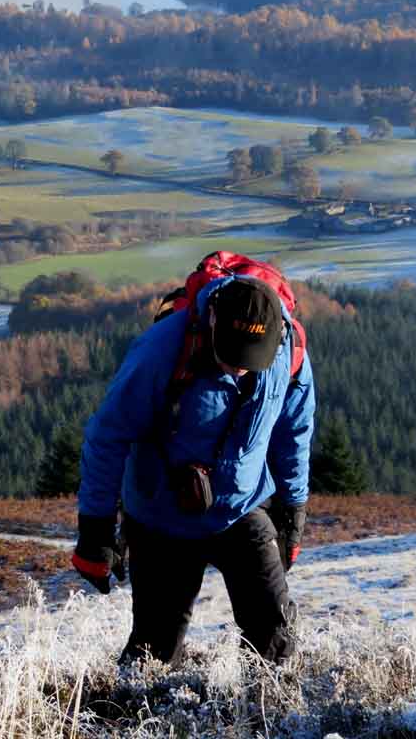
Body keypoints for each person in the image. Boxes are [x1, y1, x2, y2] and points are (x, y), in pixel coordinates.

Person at [72, 274, 315, 666]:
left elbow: (295, 429)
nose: (239, 369)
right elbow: (106, 436)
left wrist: (293, 509)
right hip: (161, 518)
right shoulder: (160, 352)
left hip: (242, 509)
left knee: (276, 635)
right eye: (231, 356)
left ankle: (270, 718)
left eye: (251, 360)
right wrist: (96, 531)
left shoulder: (290, 349)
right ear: (212, 321)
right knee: (155, 652)